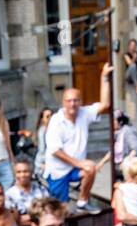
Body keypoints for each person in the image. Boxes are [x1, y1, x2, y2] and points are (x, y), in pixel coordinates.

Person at [44, 65, 113, 214]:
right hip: (58, 170)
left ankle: (83, 201)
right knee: (60, 210)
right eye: (69, 101)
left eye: (76, 100)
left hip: (75, 168)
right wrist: (79, 163)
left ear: (81, 102)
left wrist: (104, 77)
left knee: (90, 168)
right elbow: (55, 150)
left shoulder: (84, 113)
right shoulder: (56, 121)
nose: (72, 104)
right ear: (63, 103)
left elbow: (105, 104)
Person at [4, 157, 49, 226]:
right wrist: (37, 217)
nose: (22, 175)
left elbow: (48, 214)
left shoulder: (41, 190)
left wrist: (24, 218)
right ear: (14, 174)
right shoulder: (9, 194)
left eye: (25, 171)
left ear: (31, 173)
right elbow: (11, 221)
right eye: (18, 172)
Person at [32, 107, 54, 181]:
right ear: (42, 119)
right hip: (45, 164)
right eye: (47, 117)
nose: (50, 118)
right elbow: (42, 150)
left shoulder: (55, 129)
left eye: (51, 115)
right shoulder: (43, 131)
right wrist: (42, 165)